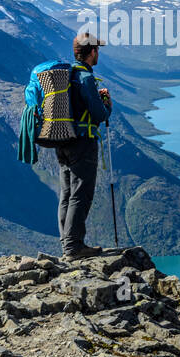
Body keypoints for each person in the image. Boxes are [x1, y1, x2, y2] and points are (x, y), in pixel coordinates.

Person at [57, 31, 113, 259]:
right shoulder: (86, 78)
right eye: (97, 49)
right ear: (92, 52)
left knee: (67, 194)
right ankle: (74, 248)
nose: (98, 53)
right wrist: (107, 104)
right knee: (81, 194)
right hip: (82, 143)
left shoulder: (67, 75)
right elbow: (99, 114)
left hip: (62, 140)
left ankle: (67, 244)